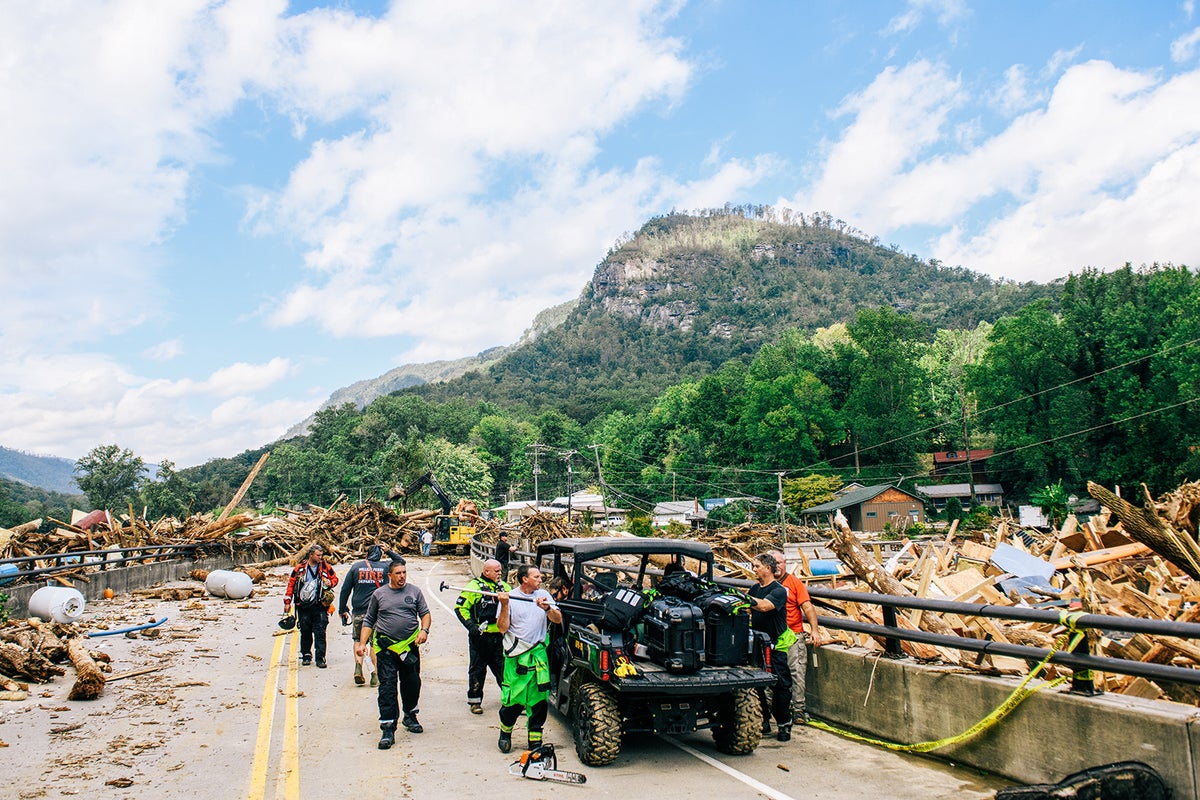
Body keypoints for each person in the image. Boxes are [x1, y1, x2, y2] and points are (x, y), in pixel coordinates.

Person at [356, 560, 432, 750]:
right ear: (389, 575)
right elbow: (369, 619)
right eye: (398, 573)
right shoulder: (379, 594)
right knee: (388, 687)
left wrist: (424, 630)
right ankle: (388, 728)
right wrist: (362, 643)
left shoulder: (414, 592)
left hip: (409, 647)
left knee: (412, 682)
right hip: (386, 648)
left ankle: (410, 715)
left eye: (404, 572)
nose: (402, 576)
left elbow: (425, 613)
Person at [495, 564, 562, 754]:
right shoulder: (510, 598)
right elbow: (502, 628)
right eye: (537, 577)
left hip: (538, 656)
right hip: (517, 656)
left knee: (539, 701)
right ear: (525, 579)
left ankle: (535, 739)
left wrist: (548, 608)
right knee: (513, 700)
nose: (541, 580)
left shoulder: (544, 596)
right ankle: (505, 733)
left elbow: (557, 619)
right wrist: (505, 605)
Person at [769, 549, 824, 724]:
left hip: (793, 634)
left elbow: (807, 607)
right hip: (773, 636)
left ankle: (799, 709)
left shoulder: (794, 583)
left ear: (785, 563)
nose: (777, 566)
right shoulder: (764, 584)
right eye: (774, 563)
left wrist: (815, 631)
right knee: (770, 673)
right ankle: (770, 710)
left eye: (780, 562)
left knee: (796, 672)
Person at [338, 544, 403, 687]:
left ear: (367, 554)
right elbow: (401, 562)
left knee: (358, 640)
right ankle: (374, 674)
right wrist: (389, 551)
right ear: (380, 554)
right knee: (375, 642)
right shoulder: (386, 567)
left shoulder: (356, 567)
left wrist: (342, 609)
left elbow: (345, 589)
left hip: (359, 611)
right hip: (378, 611)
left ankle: (358, 666)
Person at [745, 552, 794, 742]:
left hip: (775, 645)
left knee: (781, 685)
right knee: (756, 684)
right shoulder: (755, 589)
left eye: (757, 566)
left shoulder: (779, 590)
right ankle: (763, 720)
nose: (754, 569)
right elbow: (748, 609)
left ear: (768, 568)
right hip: (757, 643)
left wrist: (745, 599)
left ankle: (784, 723)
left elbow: (765, 606)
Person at [454, 559, 511, 714]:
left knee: (504, 669)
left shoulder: (505, 588)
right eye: (497, 571)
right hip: (480, 637)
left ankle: (510, 700)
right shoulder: (474, 587)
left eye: (500, 570)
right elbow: (460, 607)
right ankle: (475, 700)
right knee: (477, 669)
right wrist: (471, 626)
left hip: (499, 637)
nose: (500, 573)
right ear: (486, 572)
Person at [283, 545, 338, 668]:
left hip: (319, 605)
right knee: (305, 630)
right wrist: (287, 602)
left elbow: (335, 579)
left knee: (320, 632)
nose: (320, 557)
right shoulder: (299, 569)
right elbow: (291, 584)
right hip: (303, 605)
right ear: (311, 555)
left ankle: (320, 658)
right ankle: (306, 655)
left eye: (321, 555)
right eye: (318, 555)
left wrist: (331, 583)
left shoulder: (325, 567)